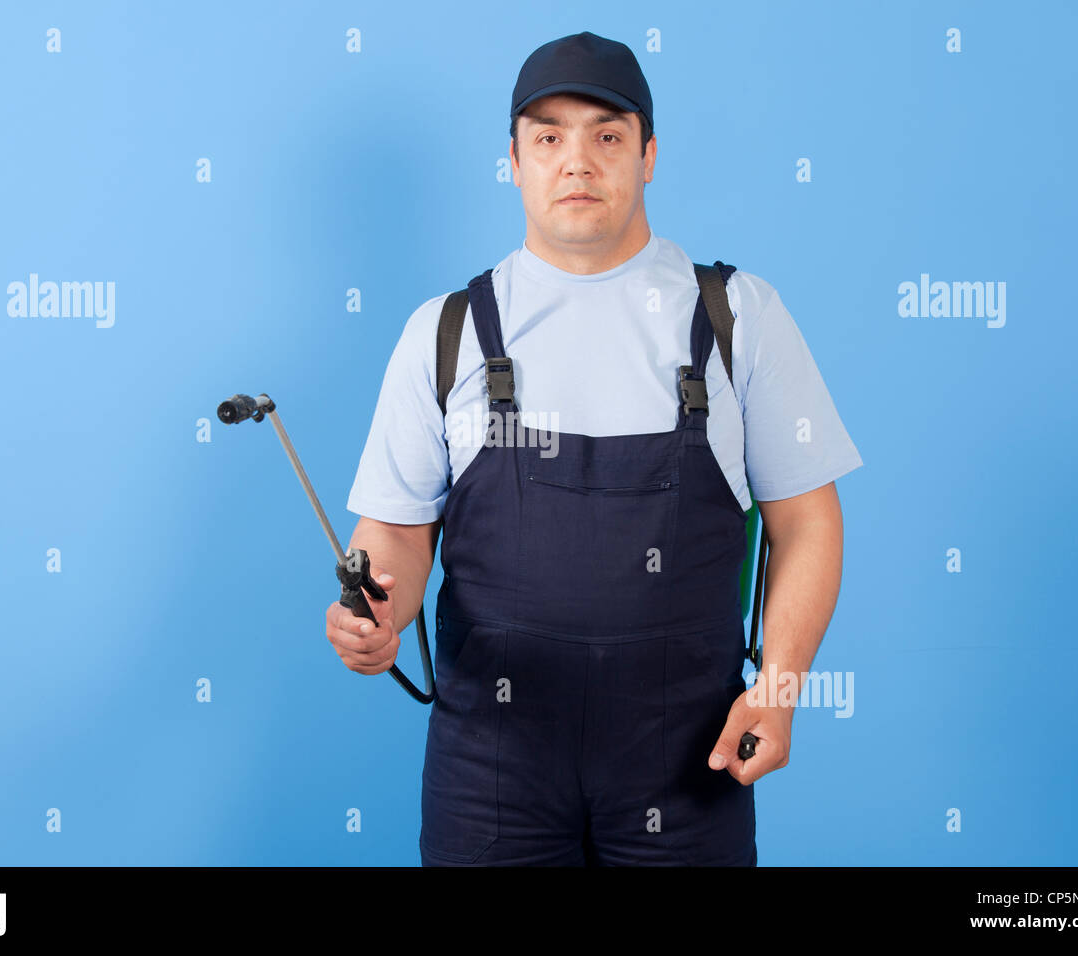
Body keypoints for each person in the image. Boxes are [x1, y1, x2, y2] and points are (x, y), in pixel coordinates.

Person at [324, 31, 863, 866]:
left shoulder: (737, 318)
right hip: (491, 771)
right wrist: (376, 618)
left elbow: (809, 523)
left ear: (649, 155)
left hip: (690, 762)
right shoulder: (445, 332)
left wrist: (781, 688)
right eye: (548, 137)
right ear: (512, 159)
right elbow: (392, 534)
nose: (577, 161)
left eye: (607, 136)